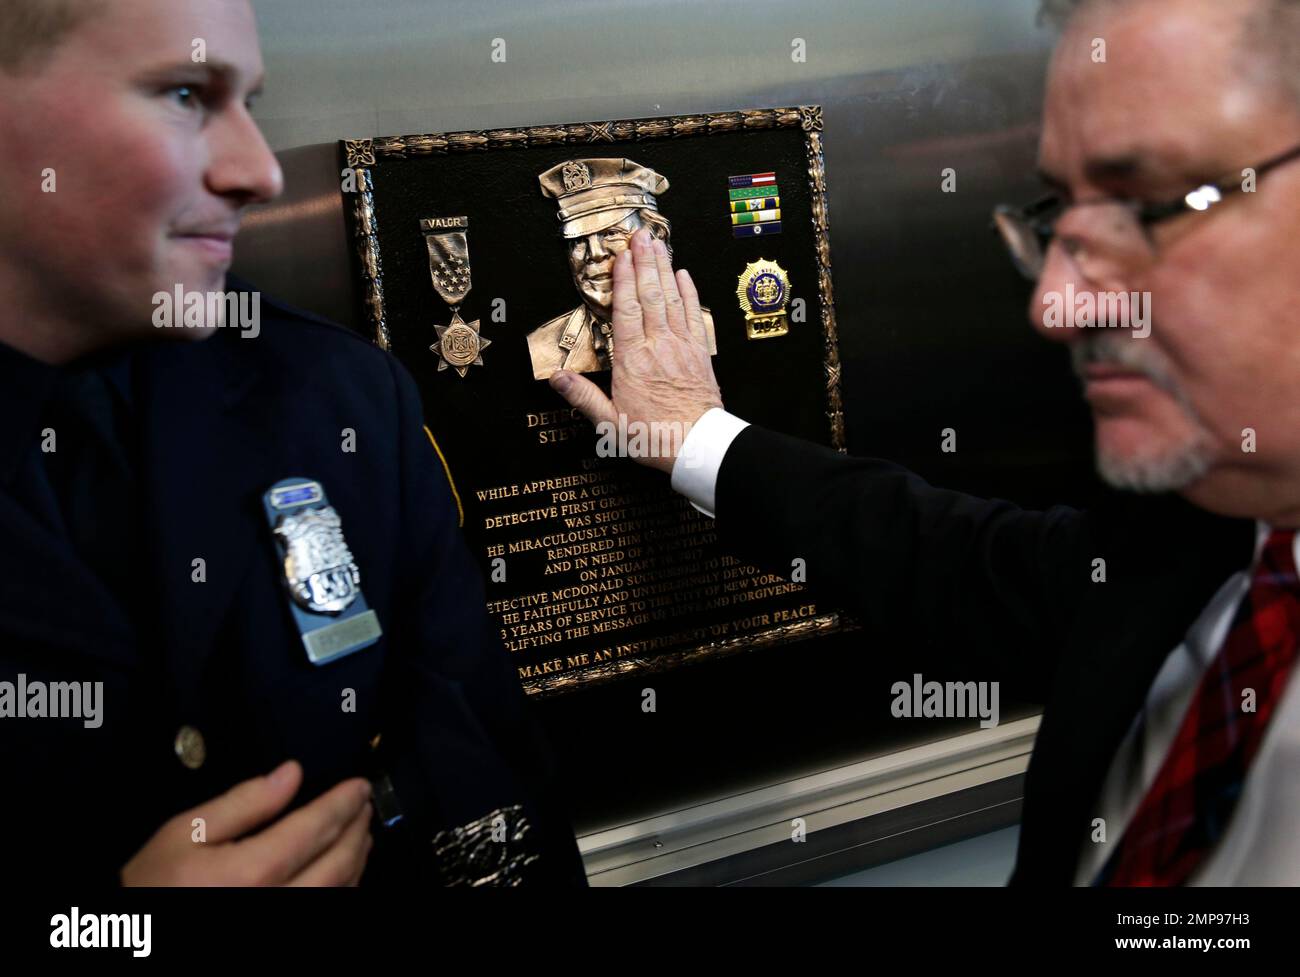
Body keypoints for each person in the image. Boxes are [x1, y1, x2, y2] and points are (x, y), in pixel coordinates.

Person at [550, 0, 1300, 885]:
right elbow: (958, 562)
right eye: (1062, 214)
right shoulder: (1211, 542)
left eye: (1146, 205)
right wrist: (697, 439)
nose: (1057, 305)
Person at [0, 0, 584, 886]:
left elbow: (486, 792)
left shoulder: (338, 399)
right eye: (186, 94)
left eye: (251, 104)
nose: (259, 171)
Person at [527, 157, 716, 380]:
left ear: (658, 237)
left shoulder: (705, 329)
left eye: (611, 233)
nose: (595, 253)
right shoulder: (541, 346)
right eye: (577, 241)